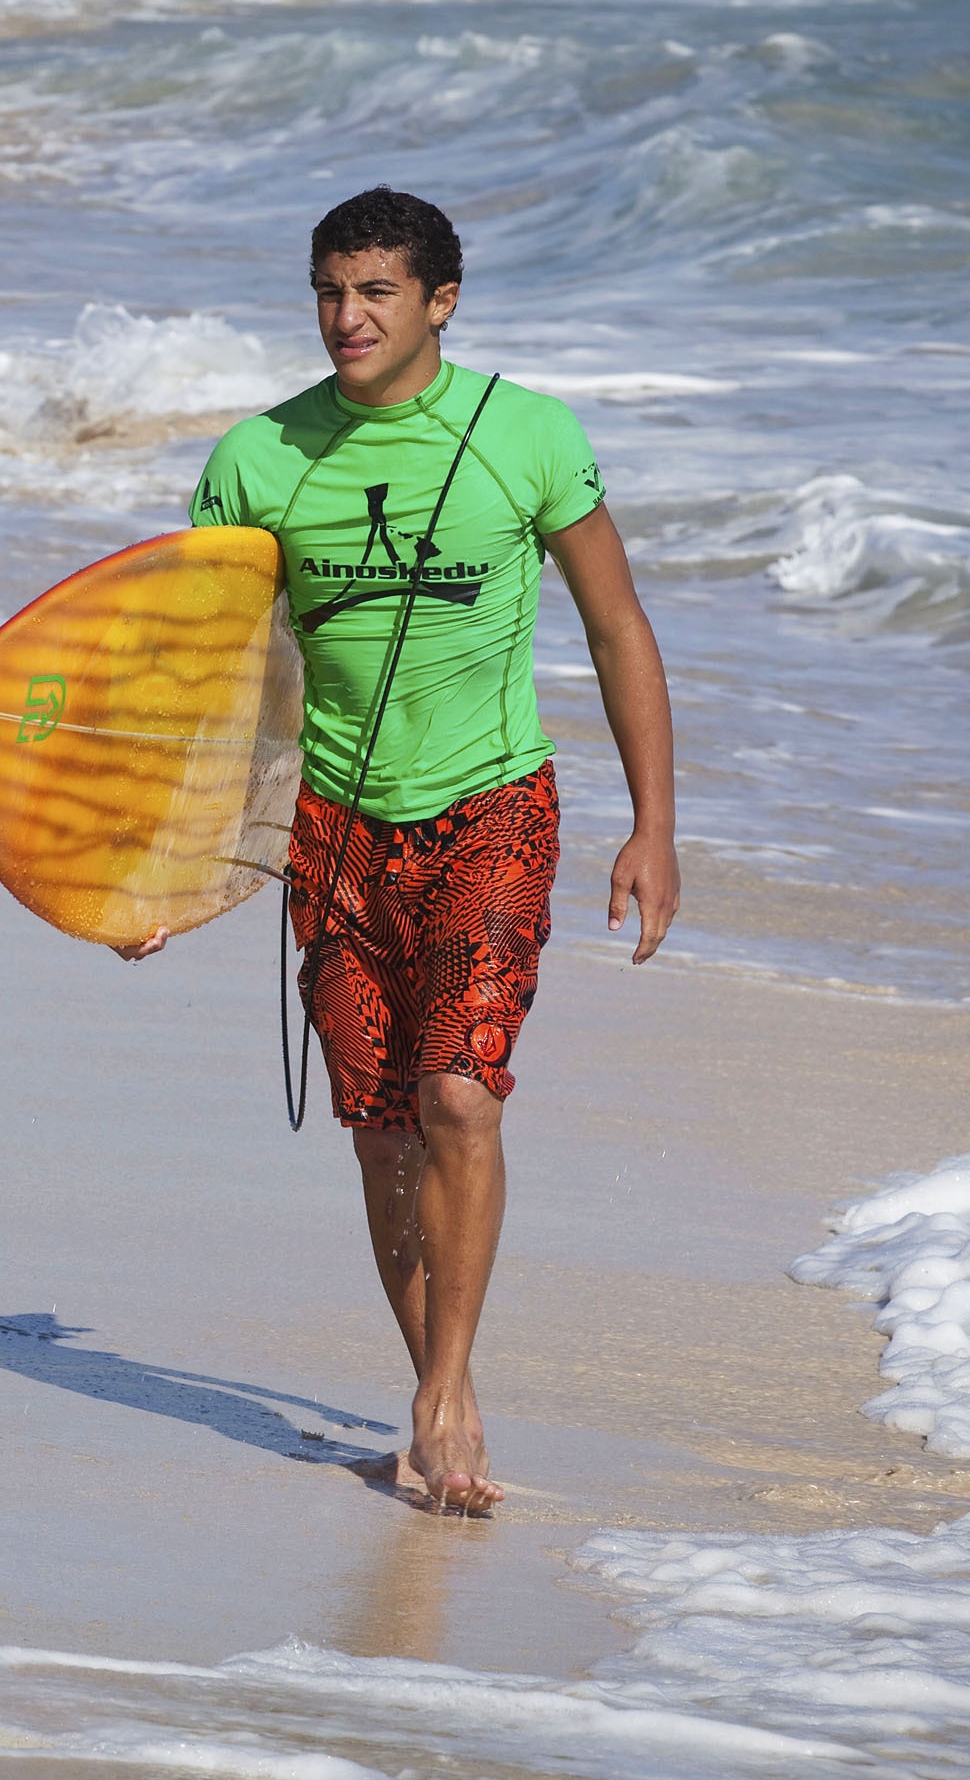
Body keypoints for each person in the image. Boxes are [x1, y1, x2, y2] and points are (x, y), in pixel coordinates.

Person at [117, 187, 679, 1514]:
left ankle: (441, 1394)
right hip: (331, 829)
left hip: (491, 808)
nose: (346, 317)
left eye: (375, 292)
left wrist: (655, 826)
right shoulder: (259, 460)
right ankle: (444, 1383)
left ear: (441, 302)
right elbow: (214, 683)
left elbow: (616, 627)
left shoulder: (525, 437)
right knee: (381, 1135)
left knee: (460, 1100)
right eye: (328, 290)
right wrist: (171, 866)